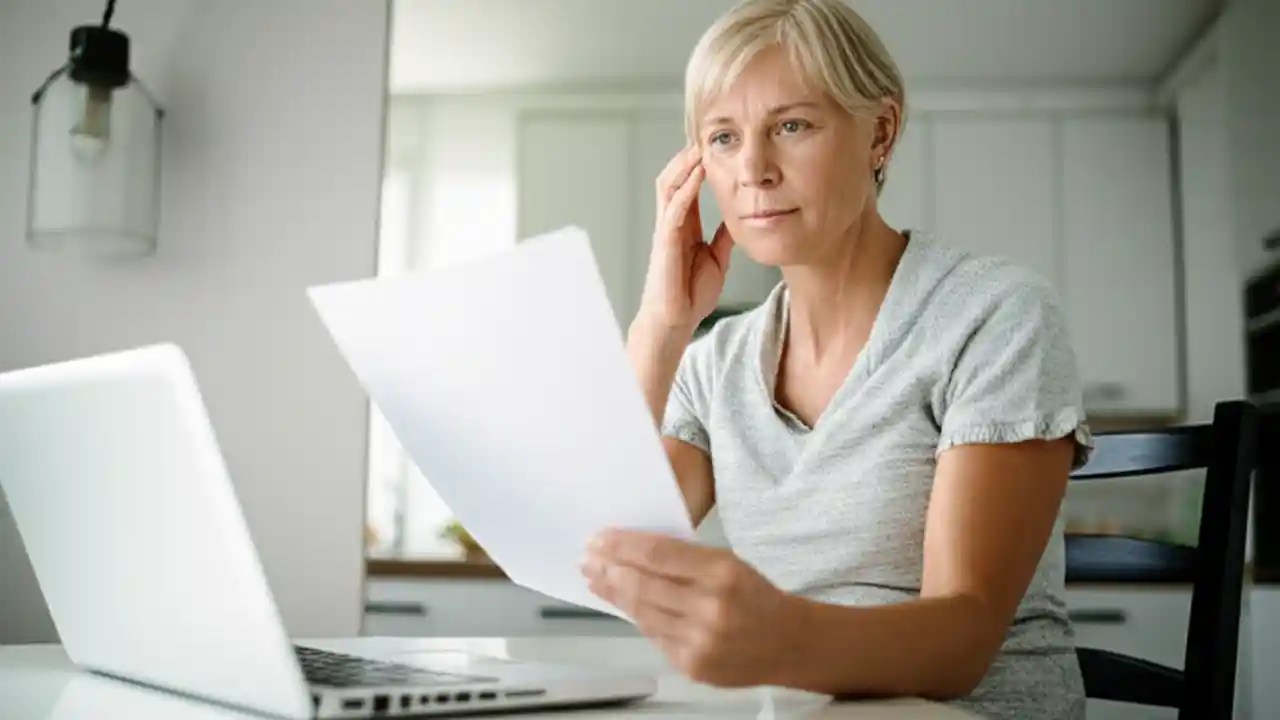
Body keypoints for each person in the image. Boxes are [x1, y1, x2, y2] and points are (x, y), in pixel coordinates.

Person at [578, 1, 1093, 718]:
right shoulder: (712, 363)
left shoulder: (993, 316)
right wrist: (660, 326)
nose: (754, 170)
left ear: (880, 131)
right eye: (722, 137)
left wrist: (780, 638)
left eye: (792, 126)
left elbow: (963, 641)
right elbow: (601, 545)